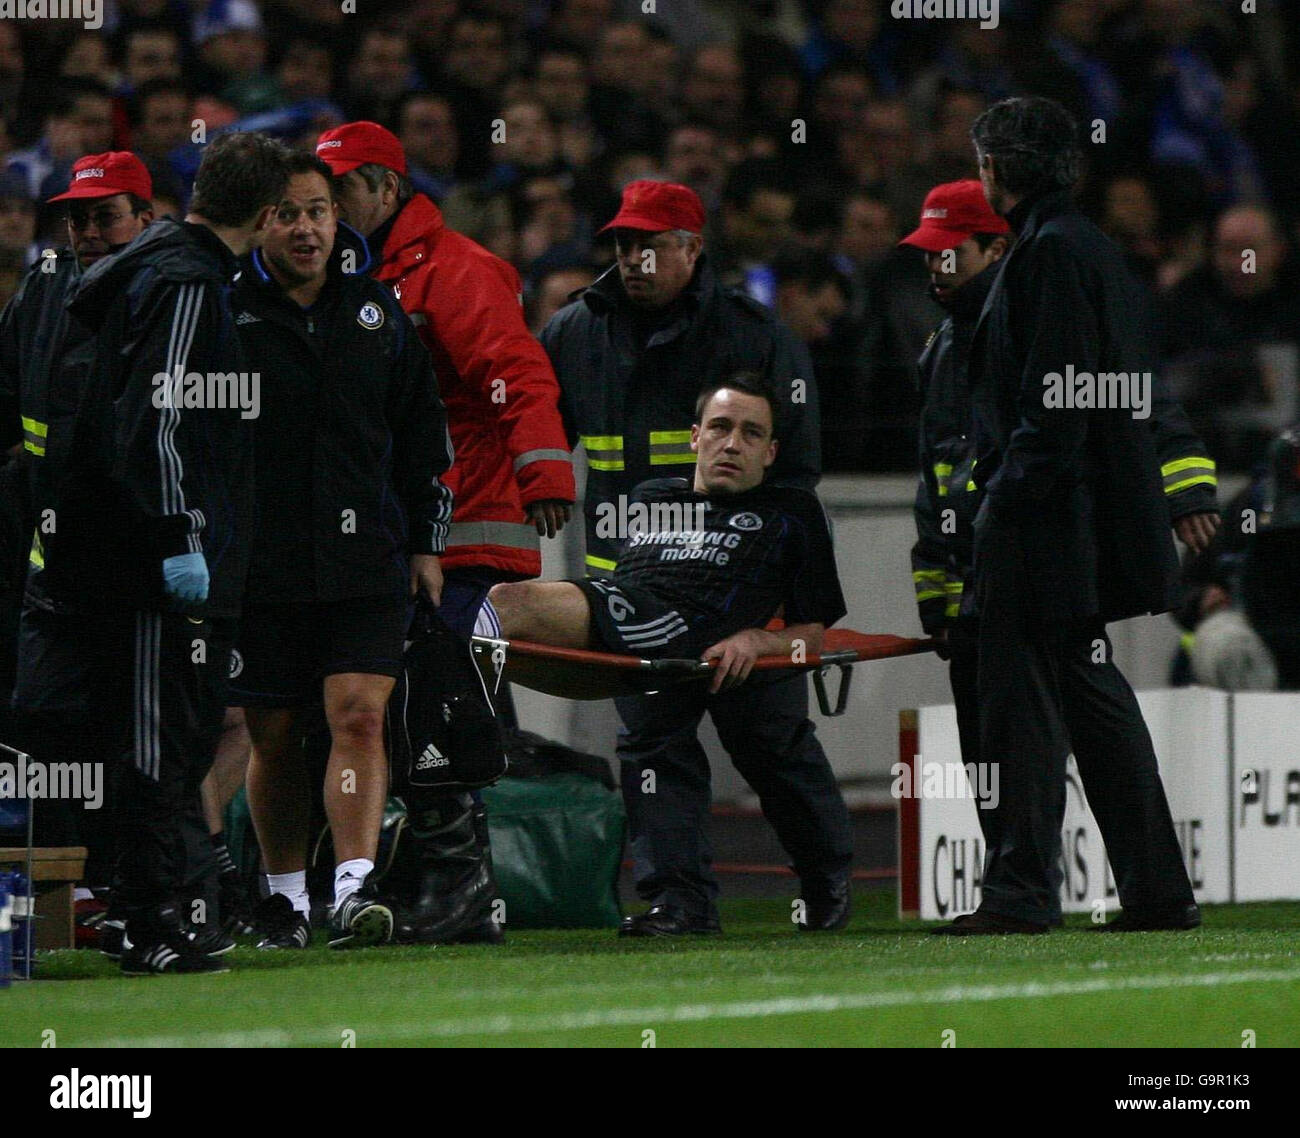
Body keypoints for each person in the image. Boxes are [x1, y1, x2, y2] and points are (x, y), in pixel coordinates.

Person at [540, 178, 853, 937]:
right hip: (634, 587)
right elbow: (539, 433)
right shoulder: (574, 332)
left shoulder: (755, 334)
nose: (635, 259)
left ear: (693, 249)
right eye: (623, 244)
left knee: (771, 745)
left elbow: (795, 470)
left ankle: (825, 879)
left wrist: (771, 609)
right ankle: (678, 901)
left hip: (743, 591)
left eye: (652, 245)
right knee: (652, 747)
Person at [905, 178, 1220, 923]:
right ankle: (1142, 893)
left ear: (997, 248)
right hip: (995, 565)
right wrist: (940, 584)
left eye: (950, 255)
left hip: (1034, 557)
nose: (934, 269)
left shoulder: (1036, 316)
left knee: (1030, 724)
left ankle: (1022, 893)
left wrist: (1188, 488)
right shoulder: (947, 347)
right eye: (928, 256)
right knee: (1057, 719)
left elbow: (1134, 398)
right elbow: (937, 474)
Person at [28, 132, 290, 973]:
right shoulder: (183, 282)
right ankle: (146, 922)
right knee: (153, 746)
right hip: (148, 565)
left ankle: (148, 912)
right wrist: (180, 535)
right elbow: (162, 421)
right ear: (267, 212)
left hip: (111, 553)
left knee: (157, 742)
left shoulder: (166, 273)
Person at [315, 120, 575, 945]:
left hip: (469, 528)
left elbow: (516, 371)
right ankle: (445, 883)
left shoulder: (454, 271)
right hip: (400, 532)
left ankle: (459, 887)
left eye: (343, 190)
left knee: (434, 703)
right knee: (402, 709)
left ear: (388, 190)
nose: (328, 207)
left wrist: (544, 477)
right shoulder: (362, 274)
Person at [228, 151, 452, 951]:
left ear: (338, 219)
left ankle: (355, 890)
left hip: (367, 560)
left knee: (358, 717)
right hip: (261, 565)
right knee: (276, 736)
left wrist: (427, 542)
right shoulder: (224, 310)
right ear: (261, 222)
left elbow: (424, 433)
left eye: (318, 210)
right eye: (287, 213)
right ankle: (285, 897)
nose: (306, 227)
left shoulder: (376, 311)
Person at [0, 153, 156, 944]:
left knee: (134, 733)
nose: (90, 231)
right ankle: (70, 887)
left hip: (141, 566)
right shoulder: (43, 291)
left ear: (146, 217)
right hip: (51, 564)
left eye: (106, 215)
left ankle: (131, 888)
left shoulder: (168, 297)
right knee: (42, 717)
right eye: (79, 217)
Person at [484, 375, 845, 694]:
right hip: (625, 618)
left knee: (507, 605)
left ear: (770, 452)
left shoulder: (792, 511)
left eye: (751, 433)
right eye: (720, 427)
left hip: (677, 634)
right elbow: (628, 584)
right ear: (695, 437)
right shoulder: (653, 494)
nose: (732, 444)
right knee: (481, 636)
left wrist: (757, 640)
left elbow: (811, 633)